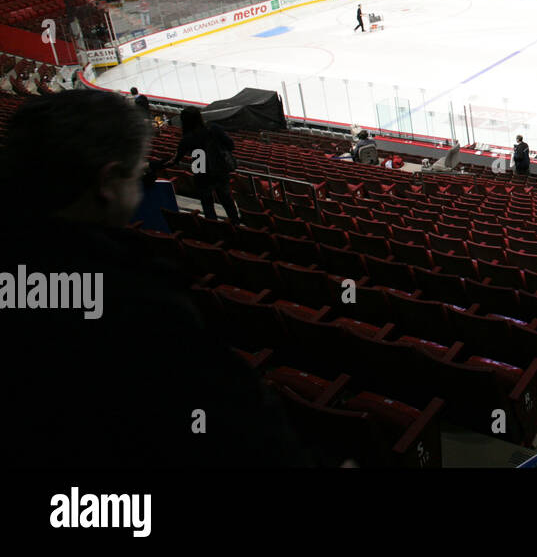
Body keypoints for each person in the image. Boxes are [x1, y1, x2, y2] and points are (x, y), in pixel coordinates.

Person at [0, 91, 310, 467]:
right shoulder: (138, 302)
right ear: (108, 182)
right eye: (135, 172)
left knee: (212, 200)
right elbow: (240, 422)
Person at [173, 105, 240, 225]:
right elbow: (231, 145)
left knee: (208, 205)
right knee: (227, 201)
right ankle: (236, 226)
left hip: (201, 174)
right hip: (219, 171)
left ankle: (213, 230)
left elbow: (176, 159)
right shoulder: (213, 128)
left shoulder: (186, 138)